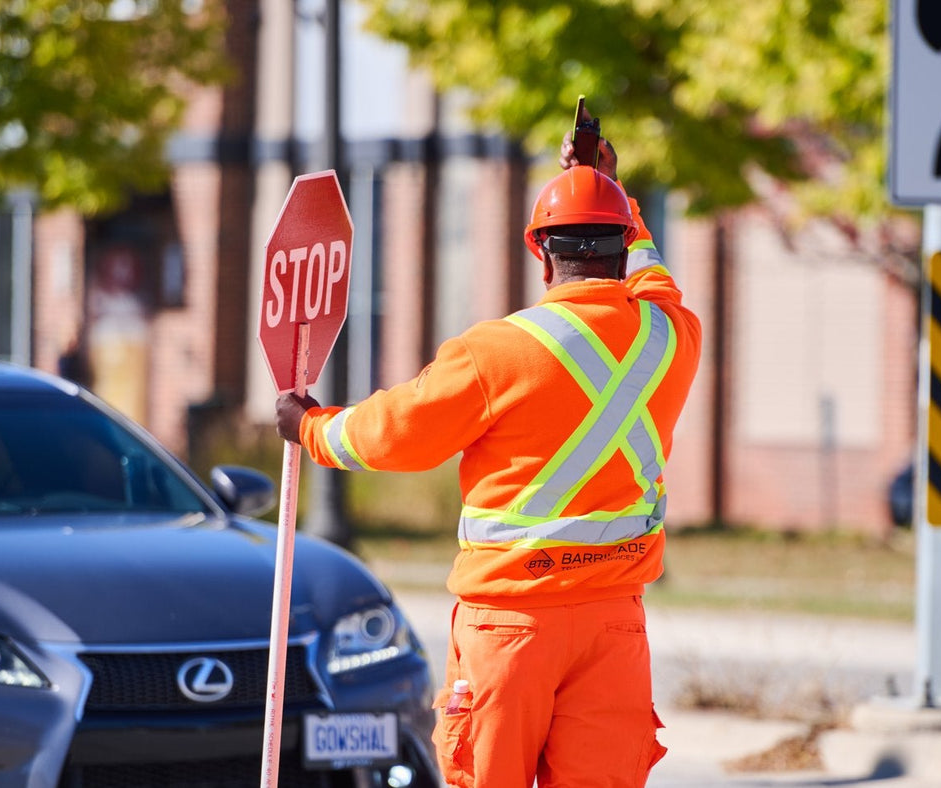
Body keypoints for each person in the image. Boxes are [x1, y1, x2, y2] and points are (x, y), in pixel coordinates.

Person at [276, 118, 702, 788]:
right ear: (622, 249)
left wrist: (312, 428)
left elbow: (395, 433)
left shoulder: (494, 352)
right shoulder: (670, 337)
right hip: (613, 624)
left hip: (511, 626)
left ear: (541, 254)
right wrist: (613, 188)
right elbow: (654, 279)